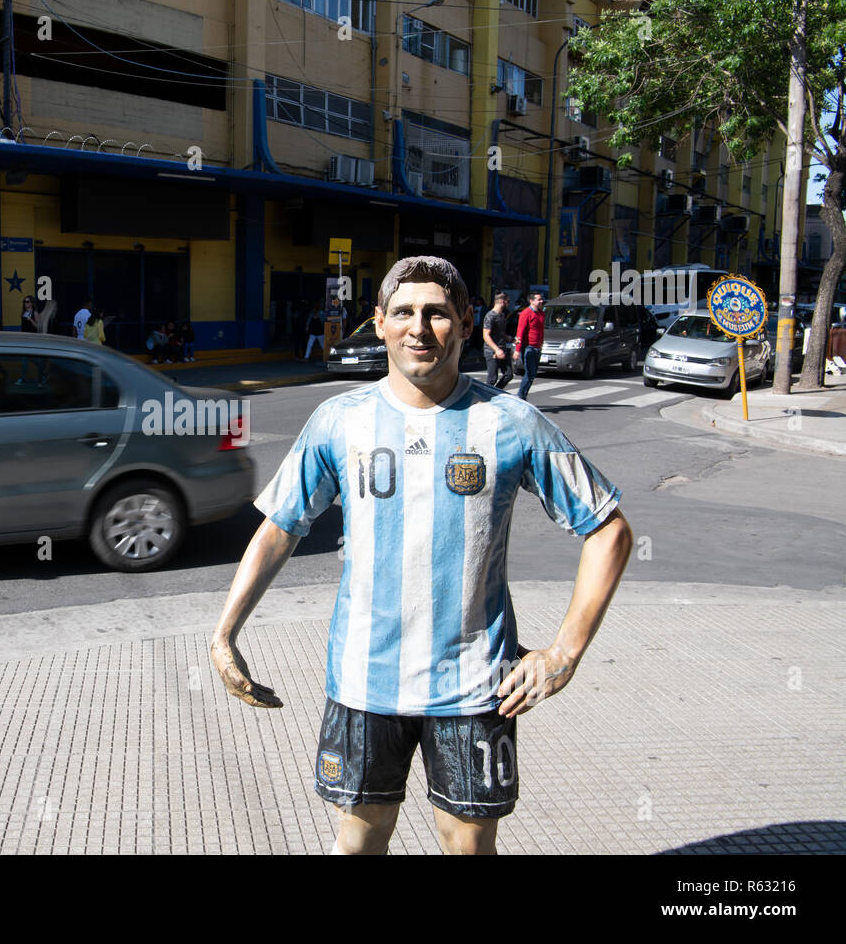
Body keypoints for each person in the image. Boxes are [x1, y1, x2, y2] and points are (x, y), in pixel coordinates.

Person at [209, 255, 632, 855]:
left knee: (466, 846)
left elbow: (608, 530)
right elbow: (281, 526)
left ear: (465, 323)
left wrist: (565, 652)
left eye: (436, 313)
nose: (419, 327)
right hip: (363, 682)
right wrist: (225, 632)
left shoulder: (512, 423)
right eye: (403, 312)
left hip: (475, 687)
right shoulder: (337, 421)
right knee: (359, 840)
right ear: (378, 323)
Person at [515, 291, 546, 400]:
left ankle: (523, 396)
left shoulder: (541, 313)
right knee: (529, 373)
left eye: (541, 299)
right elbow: (520, 332)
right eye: (539, 299)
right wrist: (517, 350)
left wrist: (541, 343)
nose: (541, 301)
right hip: (528, 347)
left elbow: (540, 330)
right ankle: (520, 396)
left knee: (532, 374)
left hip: (537, 347)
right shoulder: (526, 313)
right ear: (531, 301)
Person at [482, 292, 513, 389]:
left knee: (508, 374)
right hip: (492, 351)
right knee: (492, 379)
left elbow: (501, 333)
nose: (509, 303)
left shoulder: (502, 315)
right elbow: (486, 335)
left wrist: (510, 339)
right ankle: (485, 399)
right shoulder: (490, 315)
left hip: (502, 349)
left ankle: (496, 393)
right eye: (508, 301)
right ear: (501, 301)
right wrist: (496, 350)